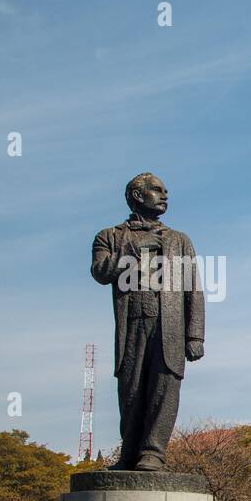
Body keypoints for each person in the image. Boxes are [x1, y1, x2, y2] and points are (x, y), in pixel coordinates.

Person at [90, 173, 205, 471]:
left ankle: (153, 453)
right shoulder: (110, 237)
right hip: (133, 324)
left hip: (170, 327)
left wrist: (196, 336)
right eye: (157, 190)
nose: (165, 195)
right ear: (137, 196)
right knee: (131, 389)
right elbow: (101, 272)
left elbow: (194, 289)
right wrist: (136, 248)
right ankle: (129, 453)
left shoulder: (179, 240)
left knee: (164, 388)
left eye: (166, 190)